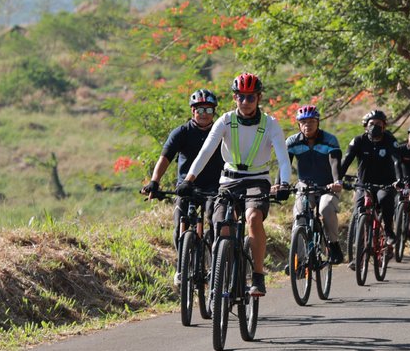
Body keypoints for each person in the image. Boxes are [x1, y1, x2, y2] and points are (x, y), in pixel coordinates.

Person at [178, 73, 291, 297]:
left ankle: (258, 276)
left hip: (258, 179)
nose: (246, 102)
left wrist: (285, 183)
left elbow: (283, 158)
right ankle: (222, 271)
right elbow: (206, 151)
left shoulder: (271, 124)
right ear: (234, 98)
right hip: (229, 180)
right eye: (241, 97)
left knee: (253, 217)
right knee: (221, 224)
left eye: (250, 98)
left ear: (259, 98)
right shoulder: (226, 120)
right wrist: (189, 179)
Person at [141, 89, 225, 286]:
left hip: (215, 187)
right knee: (181, 220)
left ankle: (215, 265)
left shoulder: (222, 132)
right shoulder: (182, 132)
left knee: (216, 219)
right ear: (192, 111)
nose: (203, 114)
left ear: (214, 112)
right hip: (187, 187)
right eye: (199, 109)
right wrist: (154, 181)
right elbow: (166, 157)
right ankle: (182, 267)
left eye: (208, 109)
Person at [339, 109, 407, 259]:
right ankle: (358, 253)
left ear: (384, 126)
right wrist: (338, 179)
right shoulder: (358, 141)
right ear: (365, 126)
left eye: (378, 124)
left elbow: (397, 161)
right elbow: (346, 162)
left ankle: (389, 231)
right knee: (359, 210)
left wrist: (399, 180)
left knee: (384, 200)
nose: (375, 126)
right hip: (363, 184)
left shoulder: (390, 140)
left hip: (385, 184)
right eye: (371, 124)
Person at [286, 105, 345, 263]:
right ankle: (299, 260)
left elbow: (335, 162)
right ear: (299, 124)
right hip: (305, 186)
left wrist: (337, 181)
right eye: (303, 122)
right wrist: (280, 184)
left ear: (318, 122)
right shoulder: (292, 142)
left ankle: (333, 246)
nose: (308, 125)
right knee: (299, 215)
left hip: (328, 186)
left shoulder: (329, 139)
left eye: (311, 121)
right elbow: (285, 165)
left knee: (326, 207)